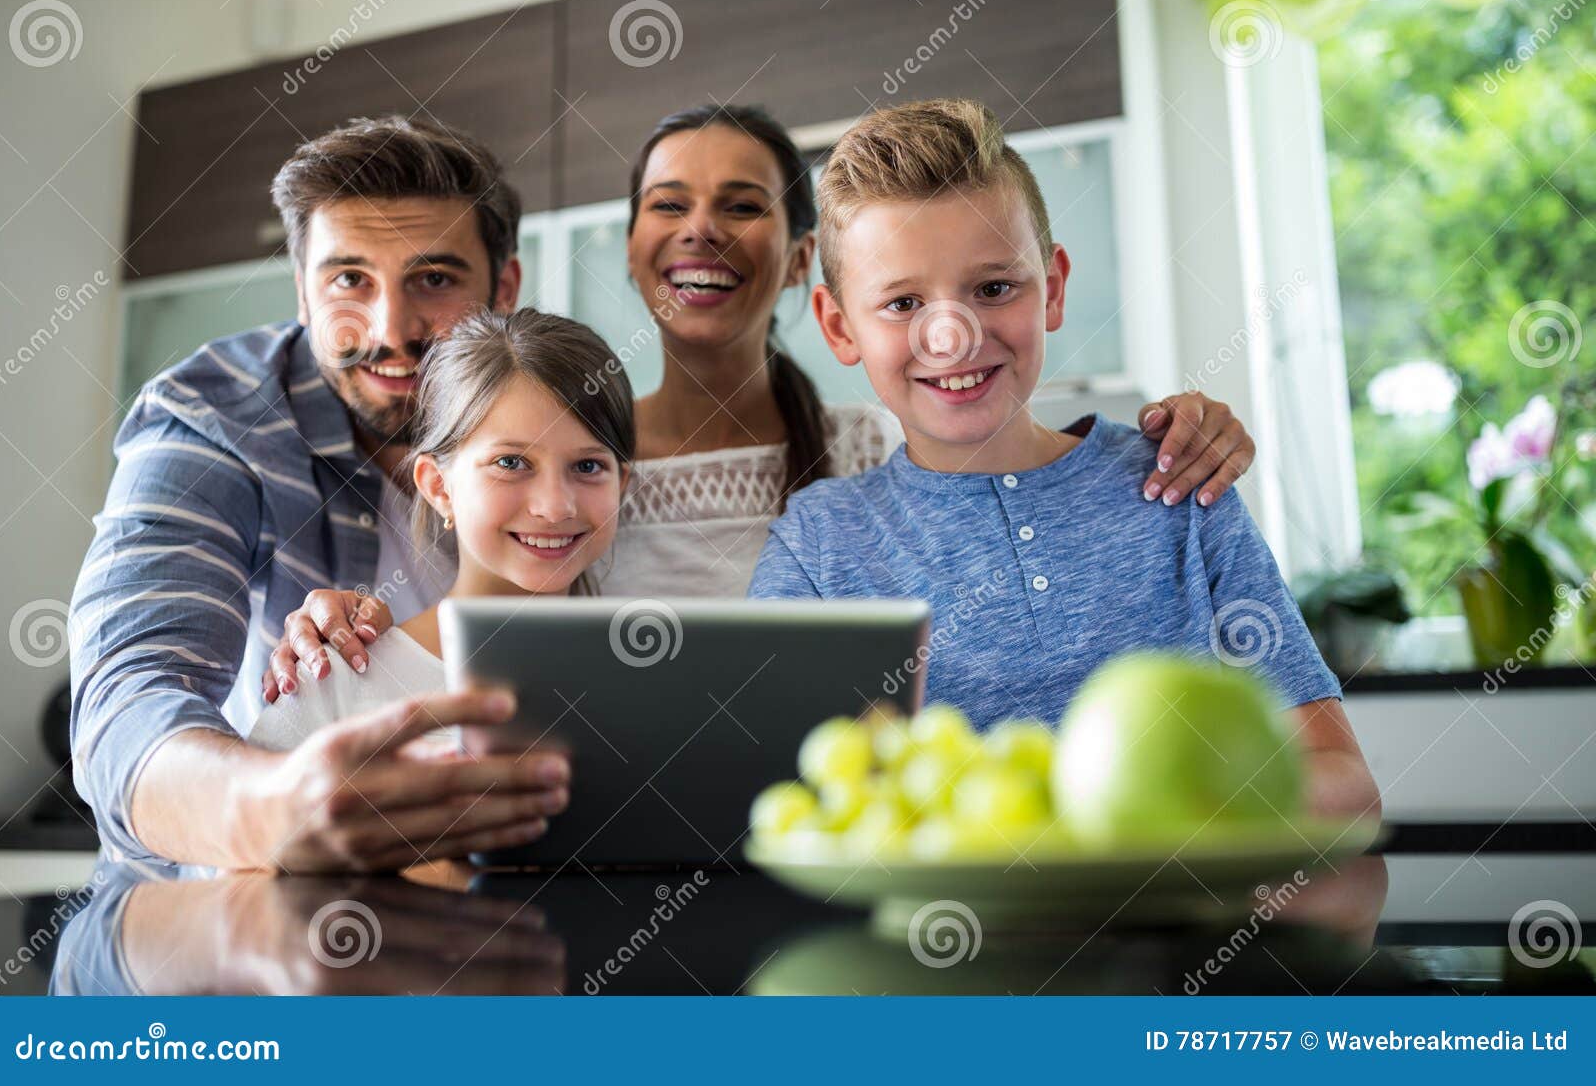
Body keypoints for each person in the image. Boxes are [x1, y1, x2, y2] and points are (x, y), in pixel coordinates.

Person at [262, 104, 1261, 697]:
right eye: (668, 204)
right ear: (632, 249)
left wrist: (1165, 437)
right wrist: (351, 618)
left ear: (799, 264)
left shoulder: (874, 451)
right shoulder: (571, 469)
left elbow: (1010, 492)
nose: (701, 229)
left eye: (742, 205)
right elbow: (478, 618)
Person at [746, 99, 1380, 821]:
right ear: (839, 327)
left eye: (993, 288)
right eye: (902, 303)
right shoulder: (819, 548)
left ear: (1053, 289)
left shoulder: (1180, 485)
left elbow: (1344, 783)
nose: (952, 337)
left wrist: (1123, 820)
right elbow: (782, 802)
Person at [68, 117, 571, 871]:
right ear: (303, 292)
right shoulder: (216, 418)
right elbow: (129, 697)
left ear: (504, 289)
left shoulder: (554, 420)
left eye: (435, 279)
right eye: (349, 280)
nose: (390, 330)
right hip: (252, 897)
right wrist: (277, 810)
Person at [249, 307, 633, 765]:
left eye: (588, 466)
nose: (554, 507)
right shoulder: (336, 681)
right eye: (510, 463)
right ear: (438, 487)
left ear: (621, 484)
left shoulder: (646, 677)